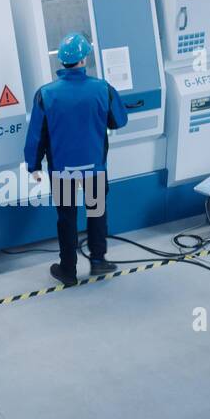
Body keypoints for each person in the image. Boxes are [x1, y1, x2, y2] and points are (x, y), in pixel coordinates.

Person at [24, 32, 129, 287]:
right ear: (83, 60)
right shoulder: (103, 88)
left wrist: (34, 165)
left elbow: (36, 135)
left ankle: (68, 270)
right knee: (97, 211)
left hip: (63, 170)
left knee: (67, 218)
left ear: (61, 62)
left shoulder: (46, 94)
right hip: (94, 167)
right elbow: (120, 120)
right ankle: (98, 260)